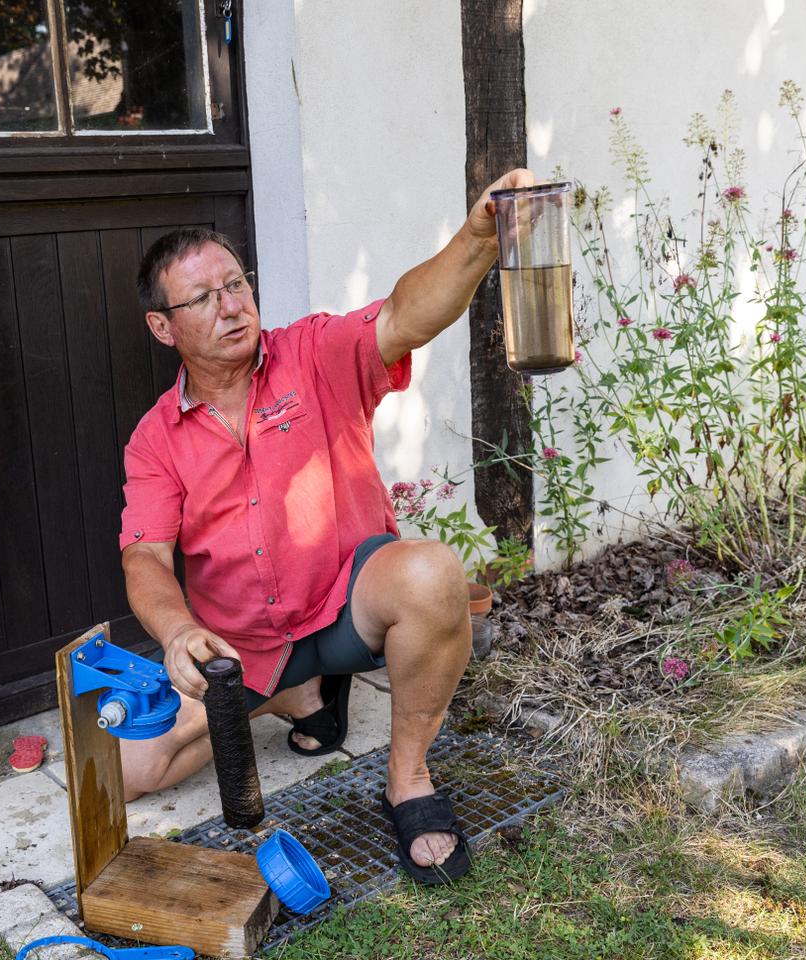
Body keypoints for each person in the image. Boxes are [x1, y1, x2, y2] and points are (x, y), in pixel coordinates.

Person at [118, 168, 535, 884]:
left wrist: (477, 240)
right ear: (163, 326)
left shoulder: (313, 353)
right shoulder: (155, 439)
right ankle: (297, 694)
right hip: (242, 645)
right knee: (133, 769)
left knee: (431, 573)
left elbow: (407, 313)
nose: (231, 306)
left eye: (237, 285)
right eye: (203, 298)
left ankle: (408, 779)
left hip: (346, 608)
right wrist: (181, 633)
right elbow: (145, 559)